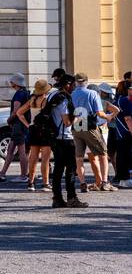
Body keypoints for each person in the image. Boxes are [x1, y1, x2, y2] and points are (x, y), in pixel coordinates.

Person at [71, 73, 118, 192]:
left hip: (77, 125)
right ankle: (105, 182)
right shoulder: (92, 93)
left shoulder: (72, 94)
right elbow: (99, 113)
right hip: (89, 125)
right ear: (86, 81)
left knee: (79, 158)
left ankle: (82, 184)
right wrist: (108, 117)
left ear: (76, 82)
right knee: (103, 154)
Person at [45, 74, 85, 209]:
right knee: (71, 169)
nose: (74, 88)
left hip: (54, 137)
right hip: (64, 138)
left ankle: (57, 198)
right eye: (73, 85)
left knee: (58, 169)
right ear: (67, 84)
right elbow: (67, 122)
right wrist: (77, 117)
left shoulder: (51, 95)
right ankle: (72, 198)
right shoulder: (63, 99)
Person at [15, 81, 52, 191]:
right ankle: (45, 183)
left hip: (33, 129)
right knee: (45, 158)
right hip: (45, 130)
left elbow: (19, 113)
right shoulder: (46, 100)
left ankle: (31, 182)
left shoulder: (32, 100)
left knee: (33, 158)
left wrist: (28, 124)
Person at [0, 74, 30, 181]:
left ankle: (24, 175)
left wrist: (9, 120)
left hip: (18, 125)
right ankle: (3, 172)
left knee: (21, 151)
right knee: (10, 149)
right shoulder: (26, 93)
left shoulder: (19, 95)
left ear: (15, 83)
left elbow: (16, 110)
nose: (10, 84)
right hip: (22, 125)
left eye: (11, 82)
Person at [111, 81, 132, 187]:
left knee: (122, 155)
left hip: (120, 132)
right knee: (126, 156)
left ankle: (123, 179)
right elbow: (128, 118)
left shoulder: (117, 100)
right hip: (127, 131)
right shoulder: (125, 100)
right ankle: (125, 179)